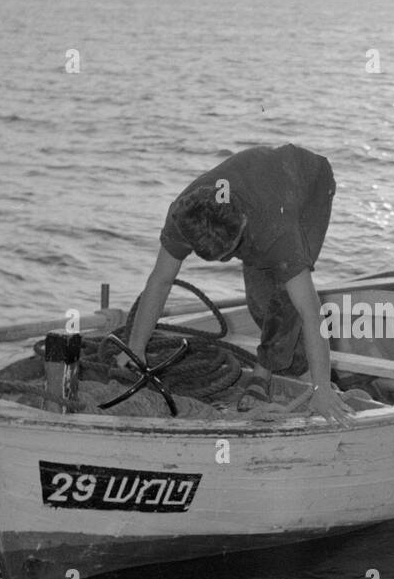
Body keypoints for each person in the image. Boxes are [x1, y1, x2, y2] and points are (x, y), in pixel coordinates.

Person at [126, 143, 352, 426]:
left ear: (242, 225)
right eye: (224, 257)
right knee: (259, 304)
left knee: (285, 299)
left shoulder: (277, 231)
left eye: (233, 252)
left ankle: (289, 378)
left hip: (308, 185)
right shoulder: (182, 215)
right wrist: (135, 346)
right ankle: (279, 366)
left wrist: (321, 390)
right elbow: (159, 281)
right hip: (263, 187)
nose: (232, 260)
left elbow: (311, 312)